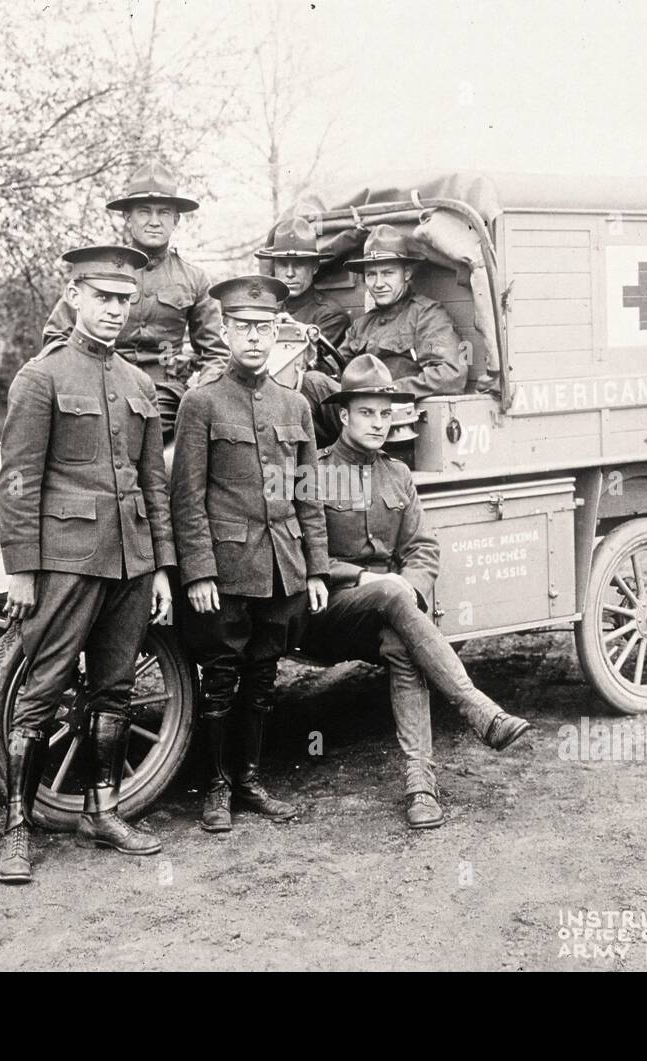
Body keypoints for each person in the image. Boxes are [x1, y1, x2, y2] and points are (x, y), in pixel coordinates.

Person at [0, 245, 177, 883]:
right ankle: (17, 828)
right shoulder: (40, 377)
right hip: (67, 561)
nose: (114, 313)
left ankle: (103, 809)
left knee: (115, 689)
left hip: (131, 559)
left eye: (125, 301)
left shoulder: (139, 384)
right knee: (42, 690)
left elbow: (154, 482)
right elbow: (17, 479)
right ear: (74, 296)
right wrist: (21, 567)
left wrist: (159, 567)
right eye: (103, 298)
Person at [299, 355, 530, 829]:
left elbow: (422, 549)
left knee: (402, 643)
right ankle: (476, 707)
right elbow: (304, 552)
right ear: (343, 416)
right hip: (330, 610)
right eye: (367, 413)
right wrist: (366, 579)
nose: (379, 423)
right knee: (392, 596)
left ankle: (421, 786)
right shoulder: (315, 472)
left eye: (386, 414)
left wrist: (409, 586)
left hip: (390, 608)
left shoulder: (397, 475)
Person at [171, 275, 330, 833]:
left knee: (264, 677)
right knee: (220, 679)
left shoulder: (296, 406)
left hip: (282, 567)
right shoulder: (201, 403)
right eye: (243, 328)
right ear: (226, 331)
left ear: (278, 335)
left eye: (265, 329)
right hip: (226, 569)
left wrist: (316, 567)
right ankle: (215, 787)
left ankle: (251, 781)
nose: (255, 339)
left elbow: (309, 493)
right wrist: (198, 571)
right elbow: (186, 497)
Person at [42, 161, 229, 437]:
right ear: (128, 218)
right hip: (96, 382)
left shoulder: (195, 279)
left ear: (176, 220)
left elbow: (216, 354)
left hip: (162, 392)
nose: (154, 221)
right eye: (144, 212)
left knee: (135, 429)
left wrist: (200, 393)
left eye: (164, 212)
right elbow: (55, 336)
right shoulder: (99, 270)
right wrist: (77, 377)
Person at [337, 224, 467, 399]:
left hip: (401, 413)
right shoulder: (361, 326)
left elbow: (449, 375)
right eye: (371, 275)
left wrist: (387, 391)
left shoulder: (426, 315)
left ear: (406, 274)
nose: (378, 283)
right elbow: (334, 367)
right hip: (359, 412)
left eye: (387, 273)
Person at [255, 215, 349, 447]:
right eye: (282, 265)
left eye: (298, 265)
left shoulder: (329, 315)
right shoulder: (266, 312)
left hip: (310, 412)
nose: (289, 273)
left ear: (314, 267)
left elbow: (312, 373)